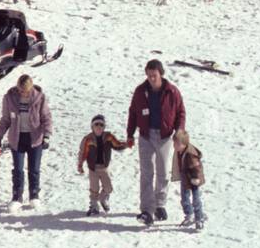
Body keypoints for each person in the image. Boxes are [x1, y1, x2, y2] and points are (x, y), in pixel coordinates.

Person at [127, 60, 186, 226]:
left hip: (164, 137)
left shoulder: (172, 92)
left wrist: (179, 130)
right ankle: (146, 209)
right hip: (146, 135)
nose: (151, 78)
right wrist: (130, 134)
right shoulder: (140, 91)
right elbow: (133, 112)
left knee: (163, 171)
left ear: (161, 74)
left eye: (154, 75)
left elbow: (181, 112)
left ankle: (160, 204)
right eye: (149, 75)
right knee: (147, 172)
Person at [0, 74, 53, 212]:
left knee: (34, 169)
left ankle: (34, 196)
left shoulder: (40, 98)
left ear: (31, 87)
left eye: (25, 91)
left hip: (35, 138)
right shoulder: (9, 98)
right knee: (18, 169)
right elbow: (6, 119)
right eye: (21, 90)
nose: (23, 93)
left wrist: (46, 136)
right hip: (17, 138)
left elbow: (46, 118)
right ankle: (17, 197)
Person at [76, 115, 133, 217]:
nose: (99, 127)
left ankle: (103, 198)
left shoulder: (108, 137)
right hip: (93, 168)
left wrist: (126, 144)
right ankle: (94, 207)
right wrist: (80, 164)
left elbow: (117, 144)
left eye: (101, 125)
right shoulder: (87, 139)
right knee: (94, 188)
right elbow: (82, 152)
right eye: (96, 125)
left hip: (104, 168)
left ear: (104, 127)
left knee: (108, 187)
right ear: (92, 127)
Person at [172, 129, 206, 231]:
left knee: (196, 200)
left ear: (183, 144)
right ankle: (189, 215)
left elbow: (197, 168)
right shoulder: (180, 152)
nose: (174, 146)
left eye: (176, 144)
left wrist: (196, 178)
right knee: (184, 199)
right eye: (174, 143)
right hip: (185, 178)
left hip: (193, 180)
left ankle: (199, 218)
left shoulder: (191, 154)